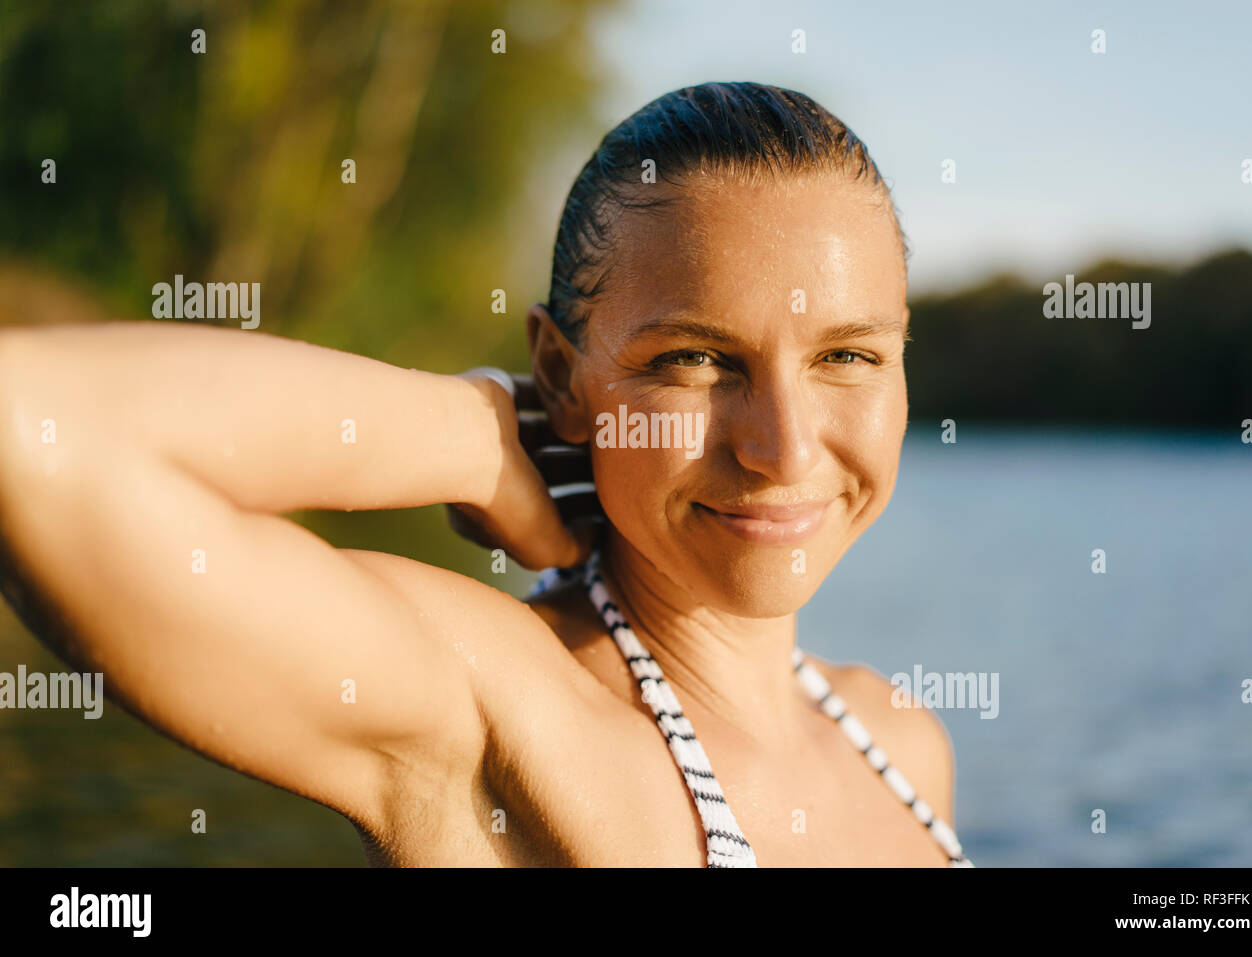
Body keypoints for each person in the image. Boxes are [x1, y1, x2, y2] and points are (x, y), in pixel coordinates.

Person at [0, 82, 970, 867]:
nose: (786, 449)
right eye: (695, 360)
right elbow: (32, 428)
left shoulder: (903, 741)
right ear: (561, 372)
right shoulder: (489, 708)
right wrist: (476, 432)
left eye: (848, 357)